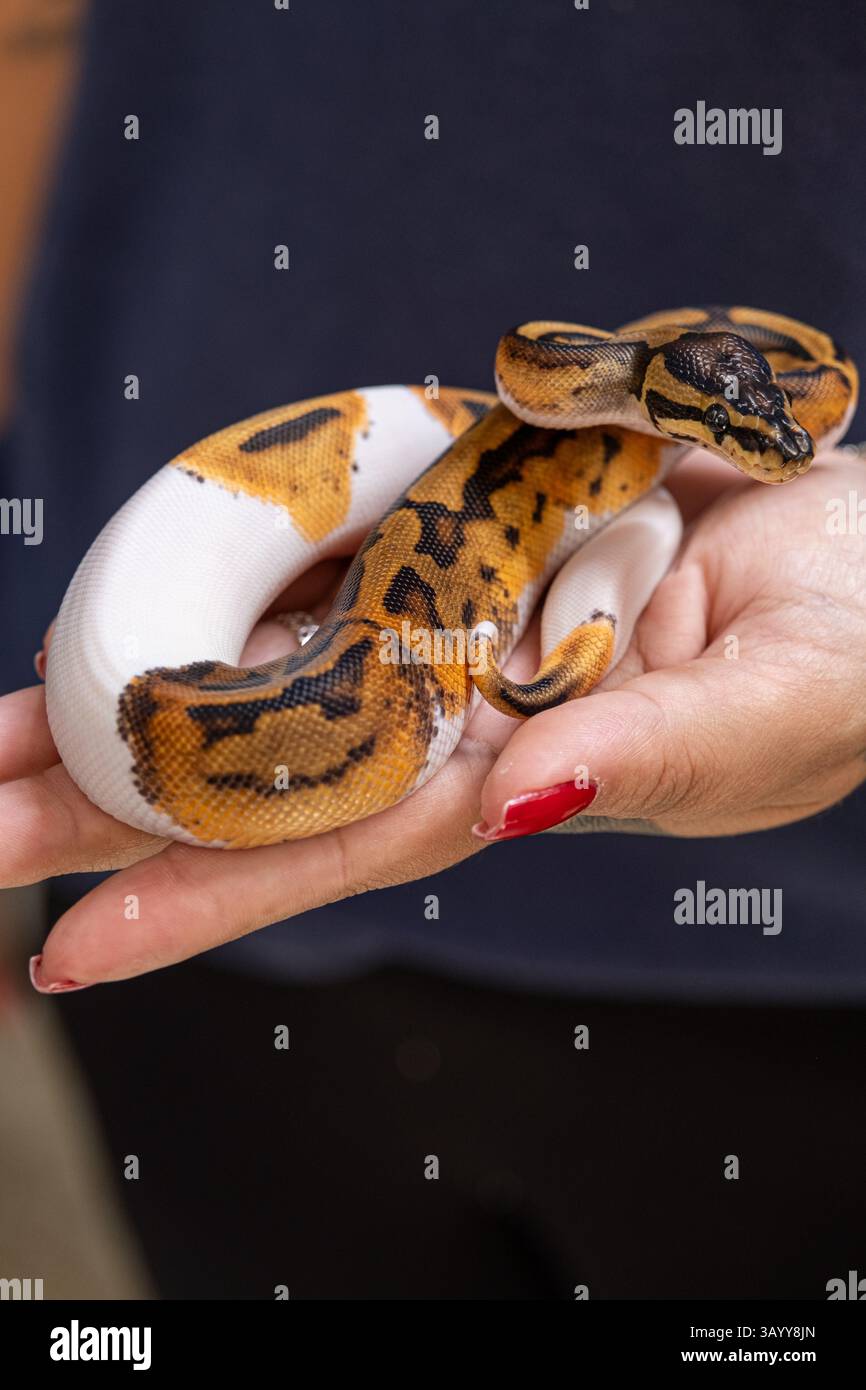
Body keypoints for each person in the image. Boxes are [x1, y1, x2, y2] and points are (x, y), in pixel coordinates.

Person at [1, 0, 865, 1297]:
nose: (761, 452)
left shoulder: (672, 397)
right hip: (210, 991)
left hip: (799, 978)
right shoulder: (574, 394)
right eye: (733, 434)